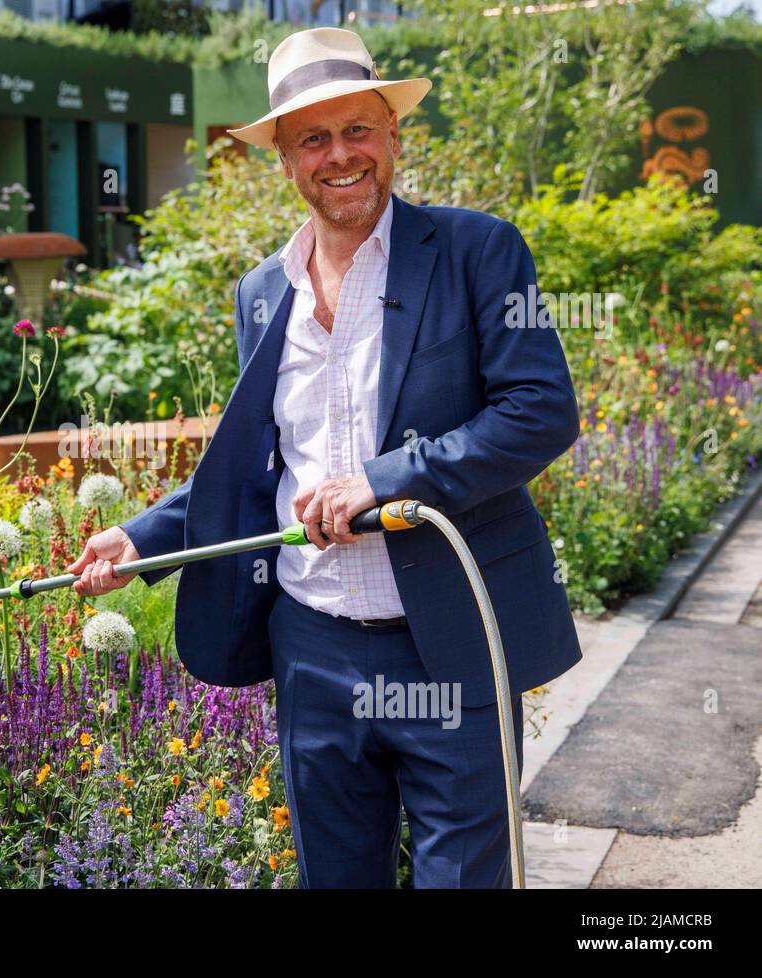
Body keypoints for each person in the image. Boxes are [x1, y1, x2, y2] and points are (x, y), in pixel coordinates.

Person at [66, 27, 582, 888]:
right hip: (311, 651)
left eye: (357, 130)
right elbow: (260, 467)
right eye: (312, 138)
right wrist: (143, 538)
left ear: (392, 136)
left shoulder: (477, 251)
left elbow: (542, 411)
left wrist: (383, 482)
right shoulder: (263, 291)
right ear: (283, 160)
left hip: (450, 645)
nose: (339, 156)